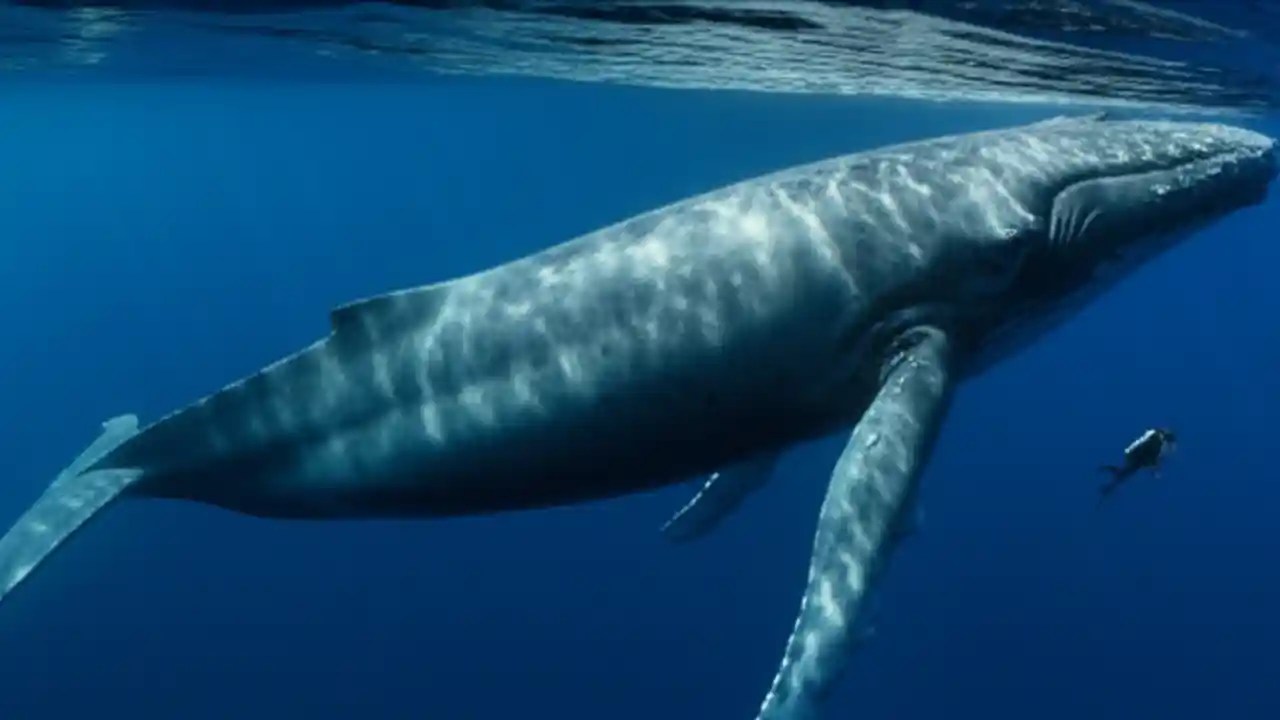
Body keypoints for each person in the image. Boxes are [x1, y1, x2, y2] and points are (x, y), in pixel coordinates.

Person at [1097, 427, 1176, 501]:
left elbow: (1151, 453)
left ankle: (1108, 477)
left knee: (1123, 473)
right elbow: (1152, 455)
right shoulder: (1157, 442)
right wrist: (1155, 468)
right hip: (1137, 459)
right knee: (1123, 473)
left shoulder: (1155, 437)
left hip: (1136, 458)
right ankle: (1108, 480)